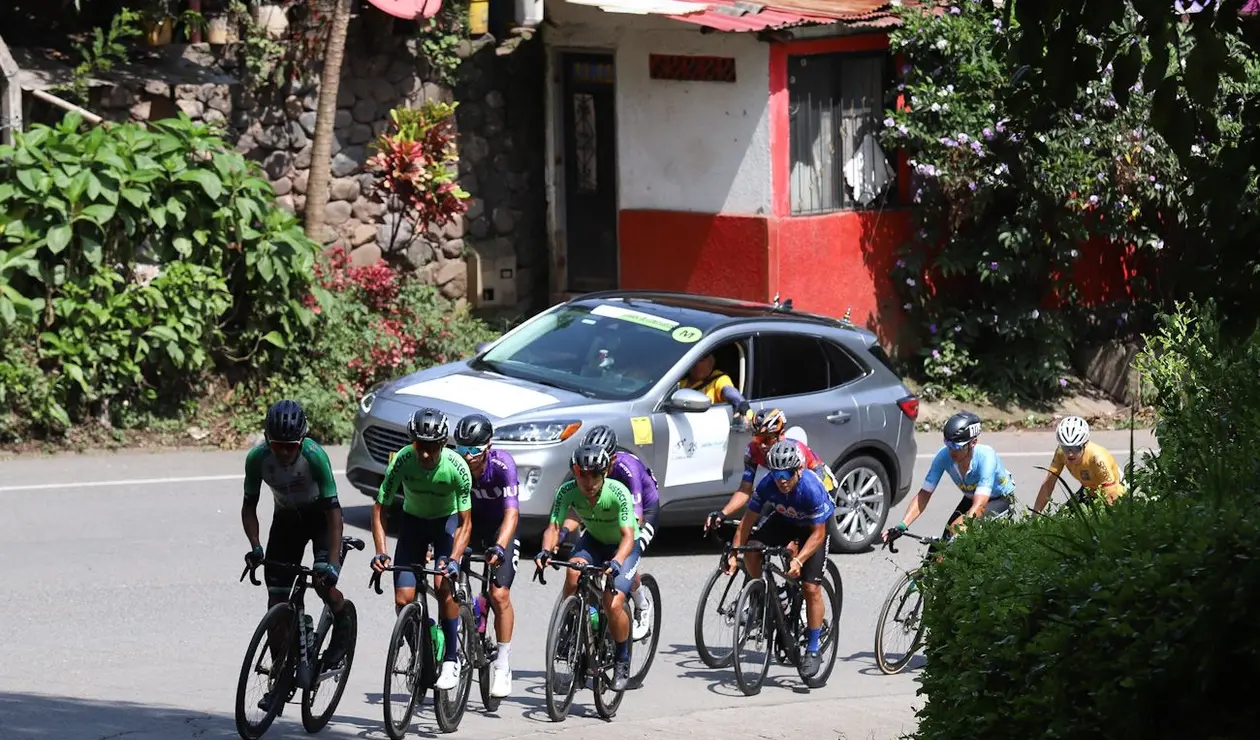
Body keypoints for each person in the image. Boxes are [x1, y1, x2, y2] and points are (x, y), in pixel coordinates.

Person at [242, 400, 351, 711]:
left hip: (319, 520)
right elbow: (249, 505)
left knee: (321, 582)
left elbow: (333, 511)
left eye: (291, 446)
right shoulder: (258, 458)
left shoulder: (315, 456)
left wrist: (331, 561)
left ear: (302, 440)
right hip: (286, 522)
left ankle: (342, 623)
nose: (285, 453)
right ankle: (281, 677)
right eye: (278, 445)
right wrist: (255, 546)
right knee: (276, 602)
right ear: (267, 439)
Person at [371, 408, 473, 692]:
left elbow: (466, 524)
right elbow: (380, 509)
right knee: (403, 599)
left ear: (442, 444)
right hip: (413, 523)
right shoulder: (402, 460)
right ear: (411, 441)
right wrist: (381, 551)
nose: (425, 454)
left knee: (442, 584)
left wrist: (454, 559)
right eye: (419, 445)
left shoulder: (457, 467)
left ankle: (452, 659)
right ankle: (425, 638)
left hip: (445, 524)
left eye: (431, 447)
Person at [534, 444, 640, 691]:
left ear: (605, 473)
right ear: (575, 472)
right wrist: (546, 551)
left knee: (612, 603)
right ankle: (571, 628)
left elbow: (628, 537)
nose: (588, 481)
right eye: (582, 474)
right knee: (573, 572)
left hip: (623, 547)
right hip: (593, 541)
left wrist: (616, 562)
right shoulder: (567, 491)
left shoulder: (618, 493)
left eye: (595, 474)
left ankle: (622, 659)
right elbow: (553, 527)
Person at [725, 440, 834, 678]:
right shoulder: (768, 485)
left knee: (810, 587)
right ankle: (762, 595)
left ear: (798, 470)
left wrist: (799, 560)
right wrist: (734, 553)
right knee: (752, 548)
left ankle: (813, 649)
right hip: (785, 520)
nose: (781, 479)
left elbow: (819, 533)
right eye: (776, 474)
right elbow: (746, 523)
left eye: (786, 473)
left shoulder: (810, 488)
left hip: (812, 529)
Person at [562, 425, 659, 641]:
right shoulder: (585, 466)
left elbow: (635, 519)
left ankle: (642, 604)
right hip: (610, 511)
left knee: (627, 552)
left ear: (612, 459)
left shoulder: (628, 469)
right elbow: (575, 508)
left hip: (643, 510)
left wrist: (617, 553)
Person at [452, 413, 519, 698]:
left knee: (499, 595)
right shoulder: (455, 465)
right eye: (461, 450)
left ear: (488, 446)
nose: (467, 457)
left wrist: (501, 546)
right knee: (450, 581)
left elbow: (511, 513)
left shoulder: (503, 465)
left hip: (498, 529)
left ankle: (503, 664)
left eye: (474, 451)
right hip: (468, 525)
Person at [883, 411, 1016, 545]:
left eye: (957, 446)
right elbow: (924, 495)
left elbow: (980, 505)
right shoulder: (943, 456)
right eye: (948, 444)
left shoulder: (986, 457)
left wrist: (957, 531)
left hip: (999, 500)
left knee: (959, 536)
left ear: (973, 442)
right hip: (972, 499)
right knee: (944, 544)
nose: (952, 451)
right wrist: (902, 525)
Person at [704, 408, 838, 533]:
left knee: (798, 535)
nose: (761, 445)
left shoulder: (796, 452)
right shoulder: (753, 450)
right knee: (762, 532)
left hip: (821, 485)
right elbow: (745, 490)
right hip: (788, 490)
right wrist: (723, 513)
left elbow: (798, 493)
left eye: (767, 439)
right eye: (757, 438)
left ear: (782, 435)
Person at [1032, 416, 1126, 514]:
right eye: (1066, 448)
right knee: (1061, 519)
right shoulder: (1060, 453)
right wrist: (1034, 515)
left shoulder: (1097, 458)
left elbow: (1111, 492)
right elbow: (1048, 484)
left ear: (1085, 444)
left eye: (1076, 448)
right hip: (1089, 490)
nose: (1070, 454)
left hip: (1114, 490)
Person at [678, 351, 752, 424]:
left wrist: (741, 403)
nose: (695, 363)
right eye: (693, 359)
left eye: (701, 359)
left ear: (711, 361)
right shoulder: (680, 382)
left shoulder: (719, 379)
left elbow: (729, 391)